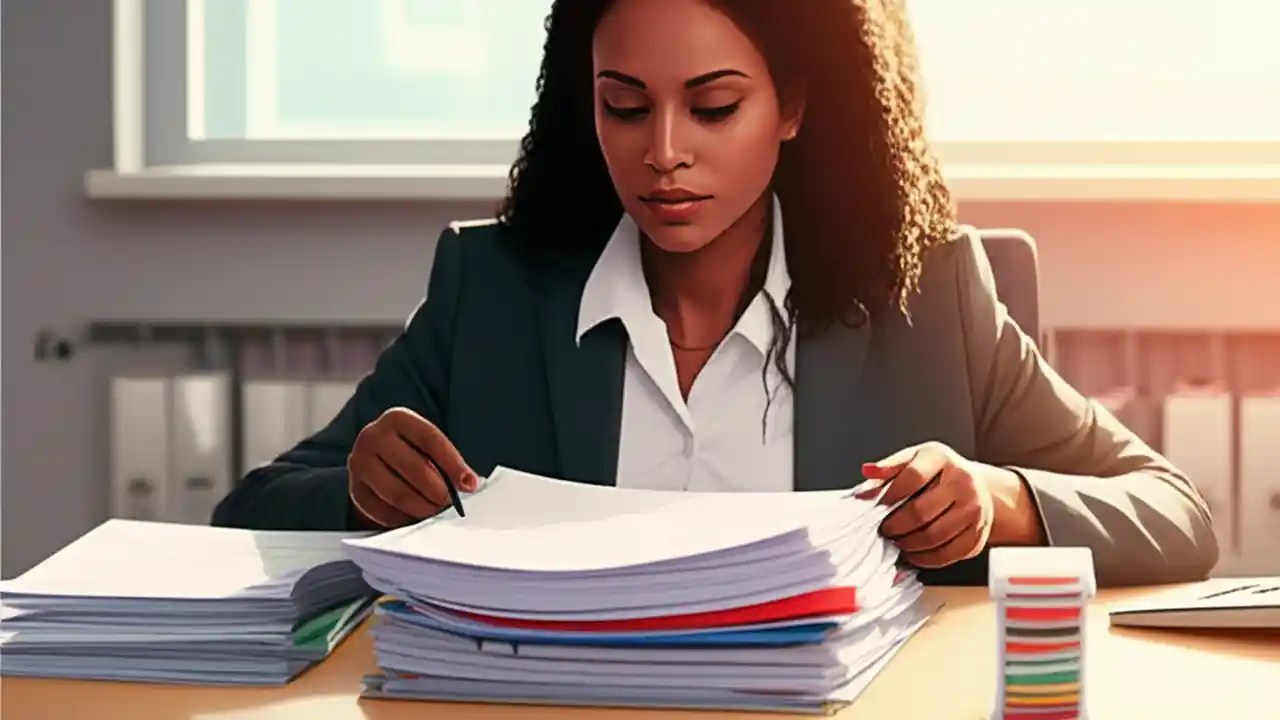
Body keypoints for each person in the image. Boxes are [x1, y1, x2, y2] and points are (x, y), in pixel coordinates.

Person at [212, 0, 1218, 587]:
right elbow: (249, 512)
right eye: (622, 106)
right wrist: (357, 488)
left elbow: (1175, 515)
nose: (662, 155)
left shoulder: (930, 297)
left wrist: (1003, 502)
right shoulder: (493, 290)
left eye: (713, 106)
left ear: (793, 106)